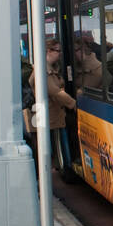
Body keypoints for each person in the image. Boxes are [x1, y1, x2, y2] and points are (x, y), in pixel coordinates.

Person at [44, 39, 76, 170]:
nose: (60, 54)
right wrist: (72, 103)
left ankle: (66, 165)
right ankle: (65, 167)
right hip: (52, 113)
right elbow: (54, 91)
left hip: (57, 112)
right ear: (48, 51)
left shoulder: (53, 68)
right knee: (59, 140)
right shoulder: (44, 70)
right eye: (57, 50)